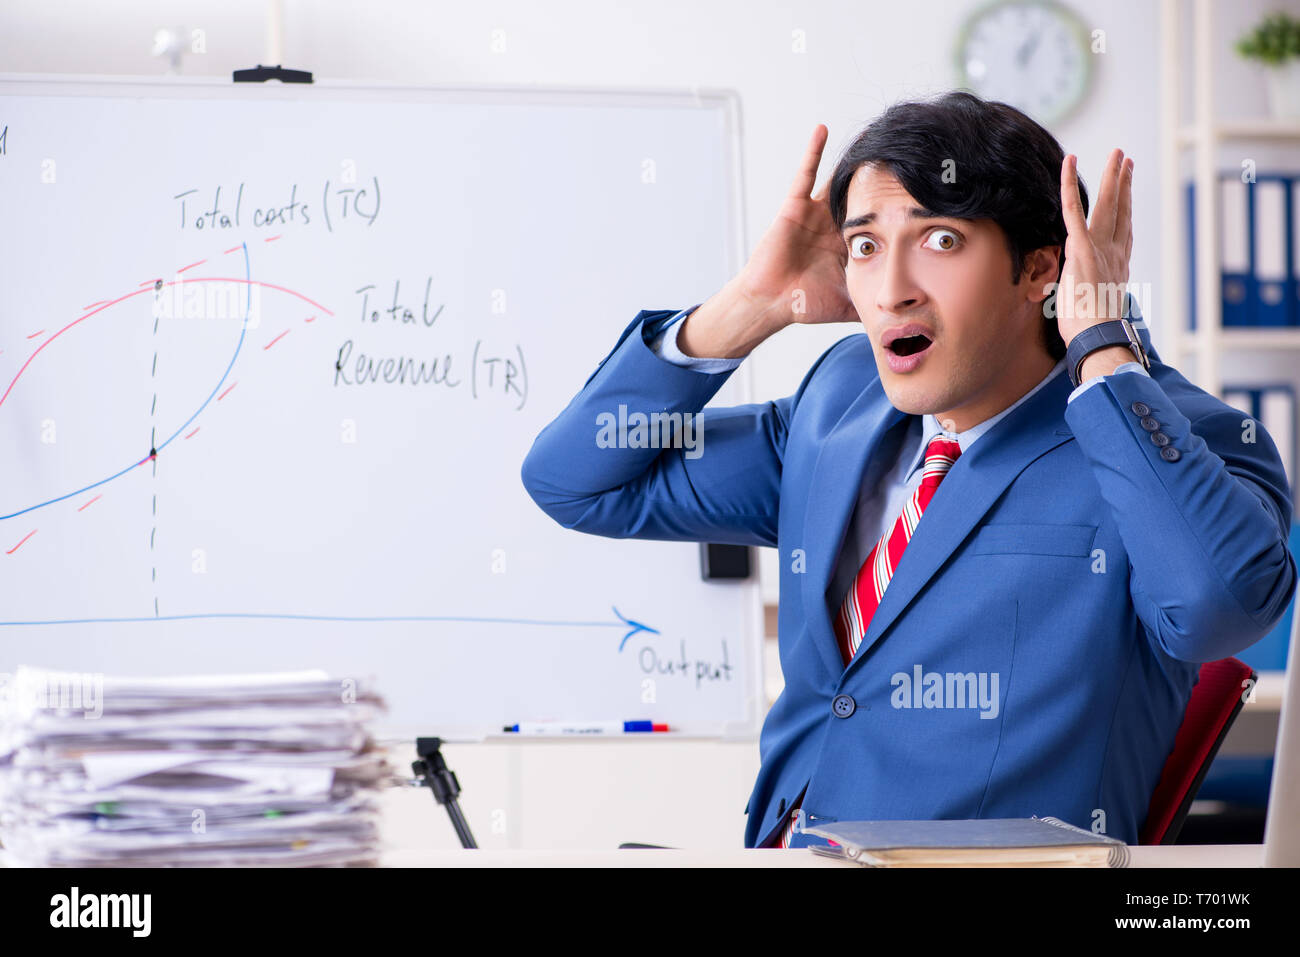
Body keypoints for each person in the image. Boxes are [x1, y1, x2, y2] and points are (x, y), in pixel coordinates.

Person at [519, 91, 1297, 847]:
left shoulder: (1164, 432)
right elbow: (579, 481)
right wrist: (753, 305)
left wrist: (1102, 343)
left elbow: (1219, 609)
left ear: (1039, 271)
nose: (890, 291)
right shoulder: (840, 403)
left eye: (940, 240)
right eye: (864, 246)